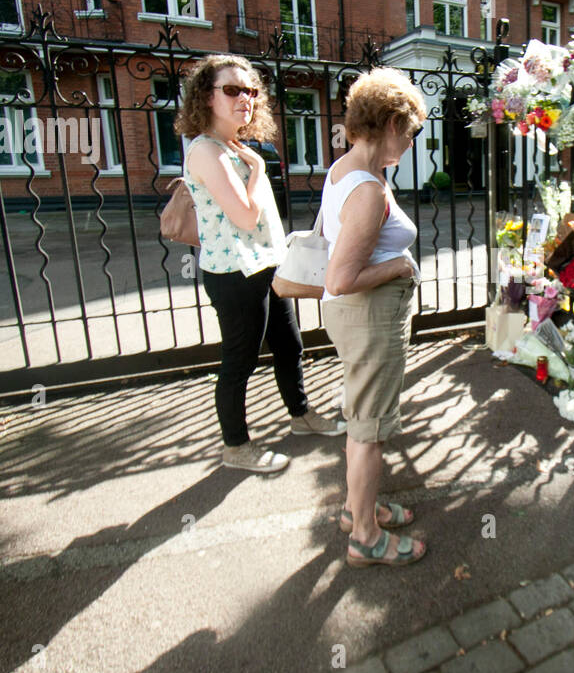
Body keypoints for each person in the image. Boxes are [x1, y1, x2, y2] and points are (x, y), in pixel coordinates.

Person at [176, 54, 345, 473]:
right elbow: (246, 216)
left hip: (266, 265)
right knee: (240, 360)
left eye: (250, 91)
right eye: (232, 90)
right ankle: (235, 447)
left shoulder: (235, 146)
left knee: (290, 346)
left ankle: (301, 415)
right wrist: (255, 169)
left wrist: (250, 162)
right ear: (206, 97)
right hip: (234, 273)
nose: (245, 98)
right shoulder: (205, 151)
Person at [321, 68, 427, 568]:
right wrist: (399, 266)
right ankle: (365, 538)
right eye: (409, 130)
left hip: (357, 320)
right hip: (370, 318)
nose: (410, 142)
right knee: (369, 429)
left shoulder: (345, 171)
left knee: (361, 419)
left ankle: (355, 509)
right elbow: (341, 276)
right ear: (389, 122)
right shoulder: (367, 189)